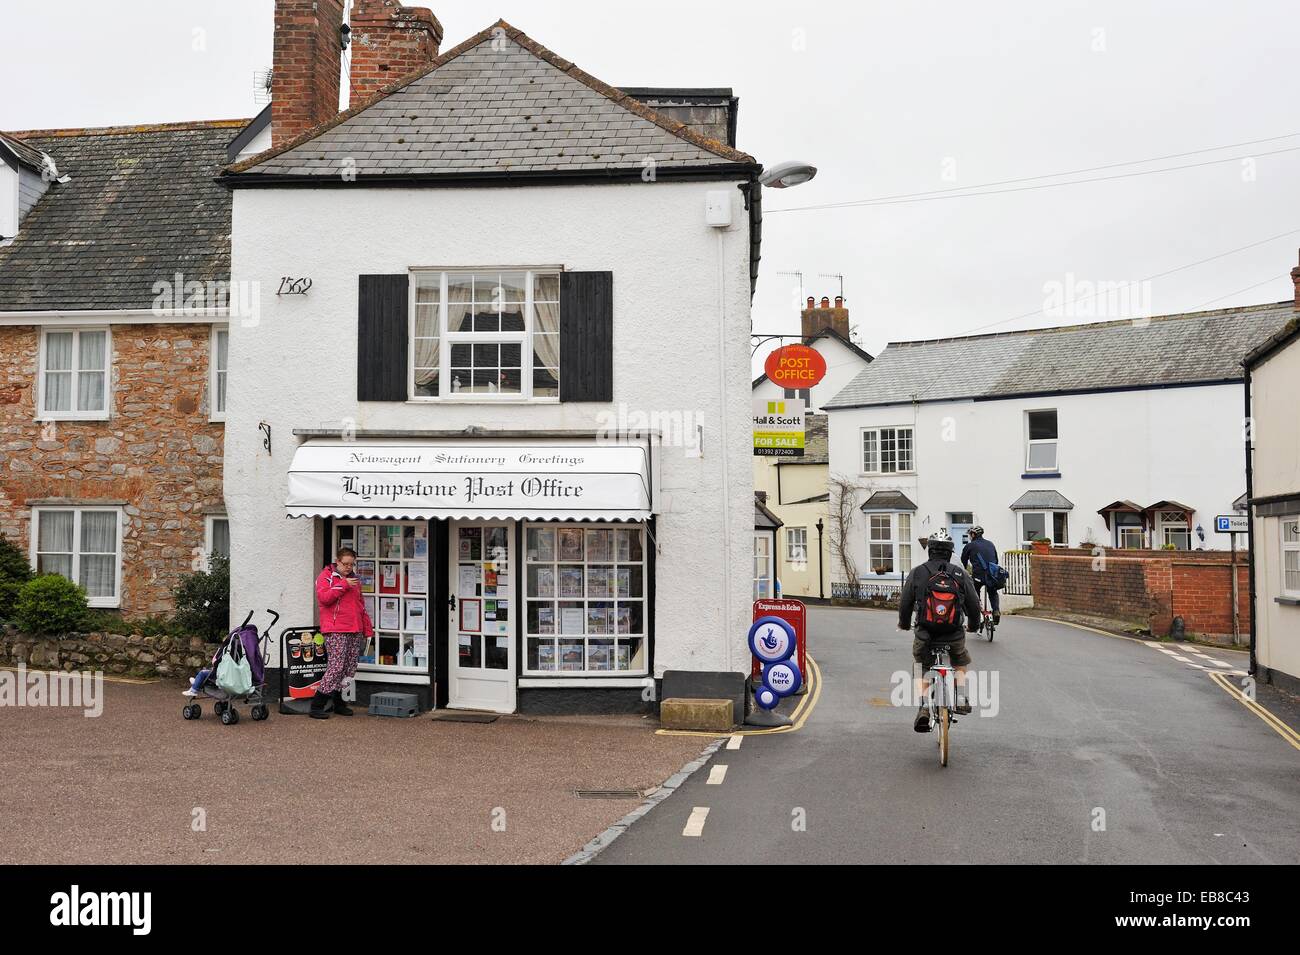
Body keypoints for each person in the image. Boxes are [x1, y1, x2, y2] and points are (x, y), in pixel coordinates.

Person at [898, 528, 980, 733]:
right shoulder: (959, 573)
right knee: (960, 659)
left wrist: (905, 623)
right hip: (953, 633)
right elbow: (973, 603)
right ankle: (960, 696)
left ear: (930, 550)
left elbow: (905, 603)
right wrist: (973, 625)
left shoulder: (918, 572)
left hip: (925, 632)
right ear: (950, 552)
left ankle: (925, 706)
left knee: (920, 663)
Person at [312, 546, 375, 719]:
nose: (348, 567)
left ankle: (339, 702)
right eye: (345, 564)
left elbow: (360, 606)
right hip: (335, 629)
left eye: (351, 564)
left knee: (350, 667)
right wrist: (343, 585)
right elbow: (324, 599)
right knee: (336, 666)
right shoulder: (326, 577)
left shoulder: (354, 579)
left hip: (354, 628)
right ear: (337, 561)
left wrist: (367, 629)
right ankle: (317, 704)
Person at [960, 525, 1001, 625]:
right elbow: (996, 560)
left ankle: (978, 612)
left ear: (973, 534)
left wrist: (963, 573)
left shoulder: (969, 546)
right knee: (992, 592)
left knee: (974, 593)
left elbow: (963, 562)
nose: (969, 536)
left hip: (978, 575)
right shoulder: (991, 544)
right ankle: (996, 610)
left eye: (970, 534)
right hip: (992, 575)